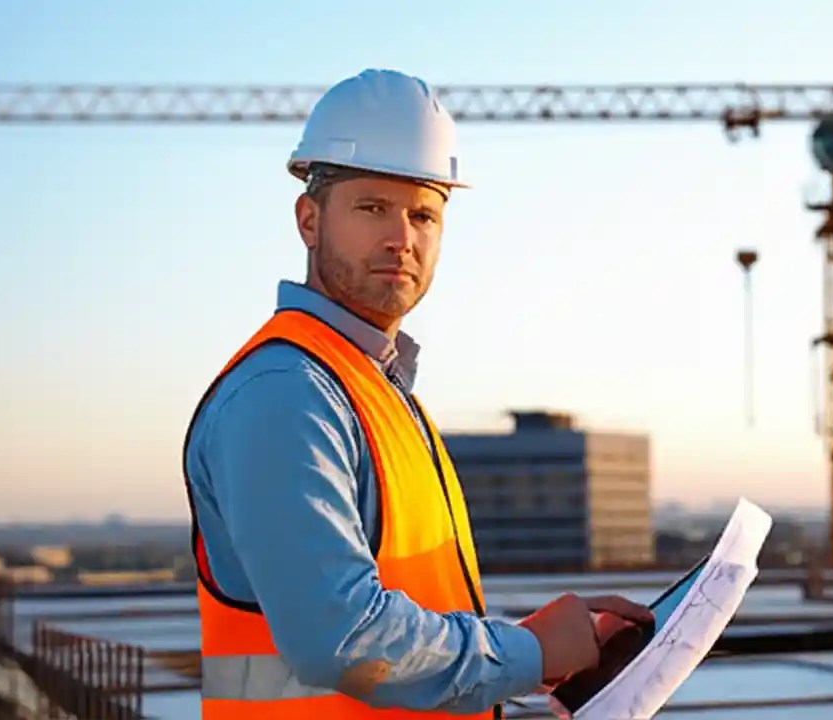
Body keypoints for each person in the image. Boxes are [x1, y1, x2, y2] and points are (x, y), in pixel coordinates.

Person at [181, 68, 652, 719]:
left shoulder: (374, 389)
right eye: (372, 208)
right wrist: (528, 654)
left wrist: (527, 646)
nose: (402, 238)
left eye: (423, 214)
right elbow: (340, 638)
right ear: (309, 219)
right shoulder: (284, 393)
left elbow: (401, 611)